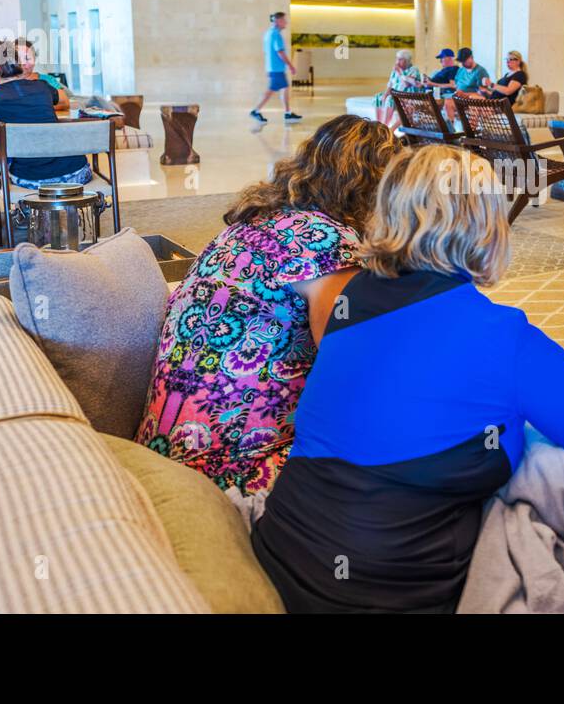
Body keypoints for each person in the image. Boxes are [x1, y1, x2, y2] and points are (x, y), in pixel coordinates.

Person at [251, 144, 564, 613]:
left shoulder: (347, 306)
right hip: (392, 595)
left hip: (287, 559)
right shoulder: (506, 339)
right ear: (487, 228)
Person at [137, 115, 403, 507]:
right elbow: (349, 369)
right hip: (232, 471)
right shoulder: (329, 245)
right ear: (374, 188)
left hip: (162, 453)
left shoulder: (253, 219)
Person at [0, 39, 92, 190]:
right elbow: (63, 98)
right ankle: (66, 209)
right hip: (77, 173)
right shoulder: (42, 86)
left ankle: (34, 211)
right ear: (18, 64)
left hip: (33, 180)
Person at [251, 11, 301, 124]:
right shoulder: (276, 35)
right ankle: (256, 110)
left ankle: (288, 113)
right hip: (276, 69)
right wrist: (291, 66)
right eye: (284, 20)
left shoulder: (268, 34)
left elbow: (266, 52)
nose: (286, 23)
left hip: (273, 68)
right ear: (278, 21)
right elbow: (280, 52)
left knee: (284, 88)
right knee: (270, 91)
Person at [381, 50, 424, 129]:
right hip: (397, 96)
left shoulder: (413, 69)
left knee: (403, 105)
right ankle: (384, 126)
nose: (397, 61)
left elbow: (406, 84)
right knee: (386, 98)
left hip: (409, 96)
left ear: (407, 61)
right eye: (397, 59)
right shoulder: (395, 71)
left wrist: (399, 72)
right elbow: (390, 84)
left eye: (400, 59)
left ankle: (391, 129)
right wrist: (385, 95)